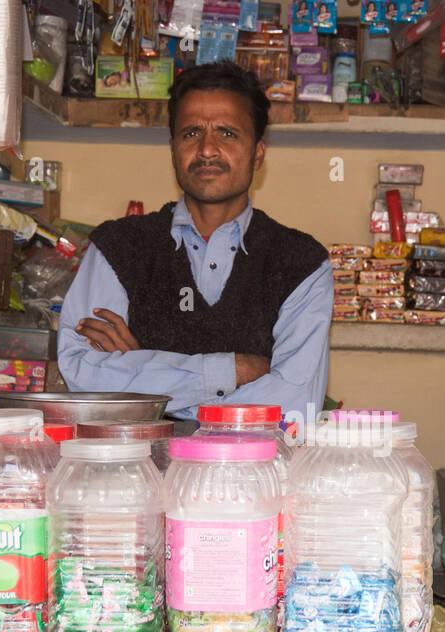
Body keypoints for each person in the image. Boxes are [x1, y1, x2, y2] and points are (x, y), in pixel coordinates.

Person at [58, 63, 333, 421]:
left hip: (254, 475)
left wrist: (143, 383)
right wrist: (234, 372)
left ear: (258, 153)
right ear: (172, 149)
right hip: (135, 472)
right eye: (191, 133)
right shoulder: (118, 247)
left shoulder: (302, 263)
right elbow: (82, 376)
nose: (206, 150)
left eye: (227, 133)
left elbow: (294, 407)